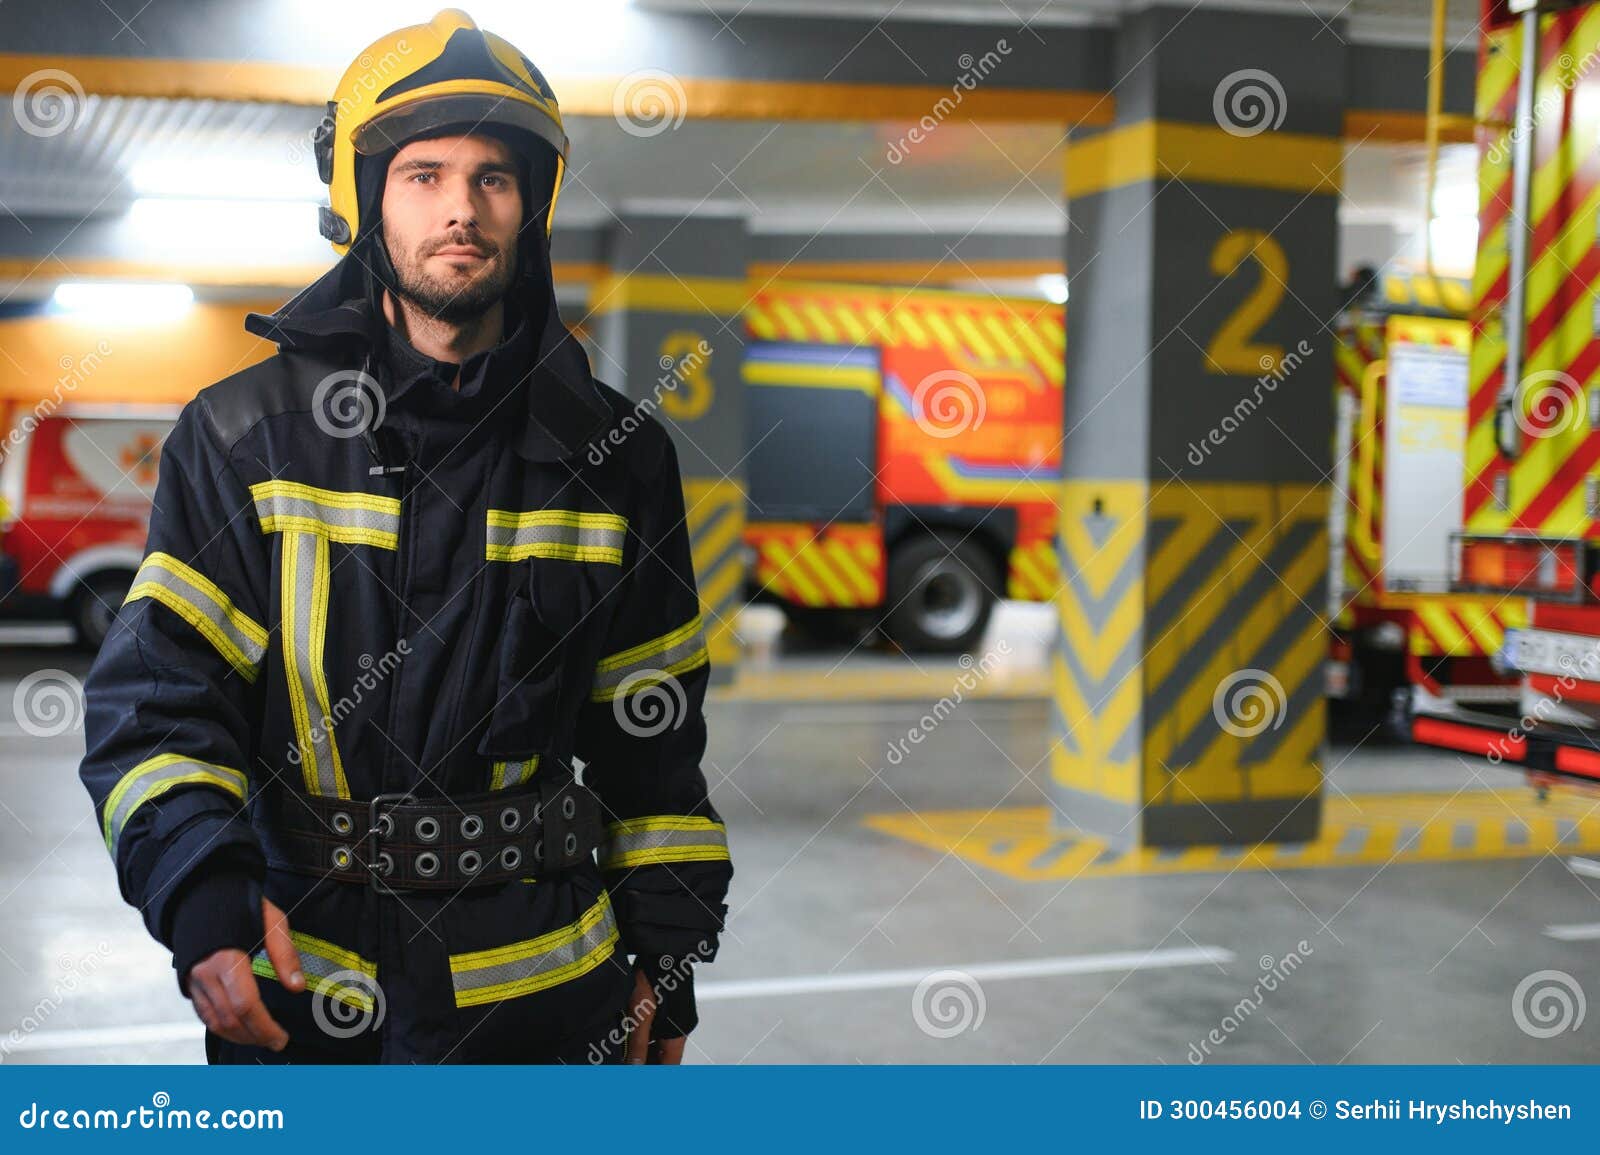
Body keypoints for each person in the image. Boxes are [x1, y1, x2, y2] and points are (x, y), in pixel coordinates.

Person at [76, 8, 732, 1064]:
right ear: (364, 196)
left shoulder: (616, 456)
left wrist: (668, 959)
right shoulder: (245, 436)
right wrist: (200, 893)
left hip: (549, 1001)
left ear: (532, 205)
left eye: (493, 178)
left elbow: (652, 749)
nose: (460, 211)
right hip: (307, 992)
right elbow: (161, 703)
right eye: (423, 175)